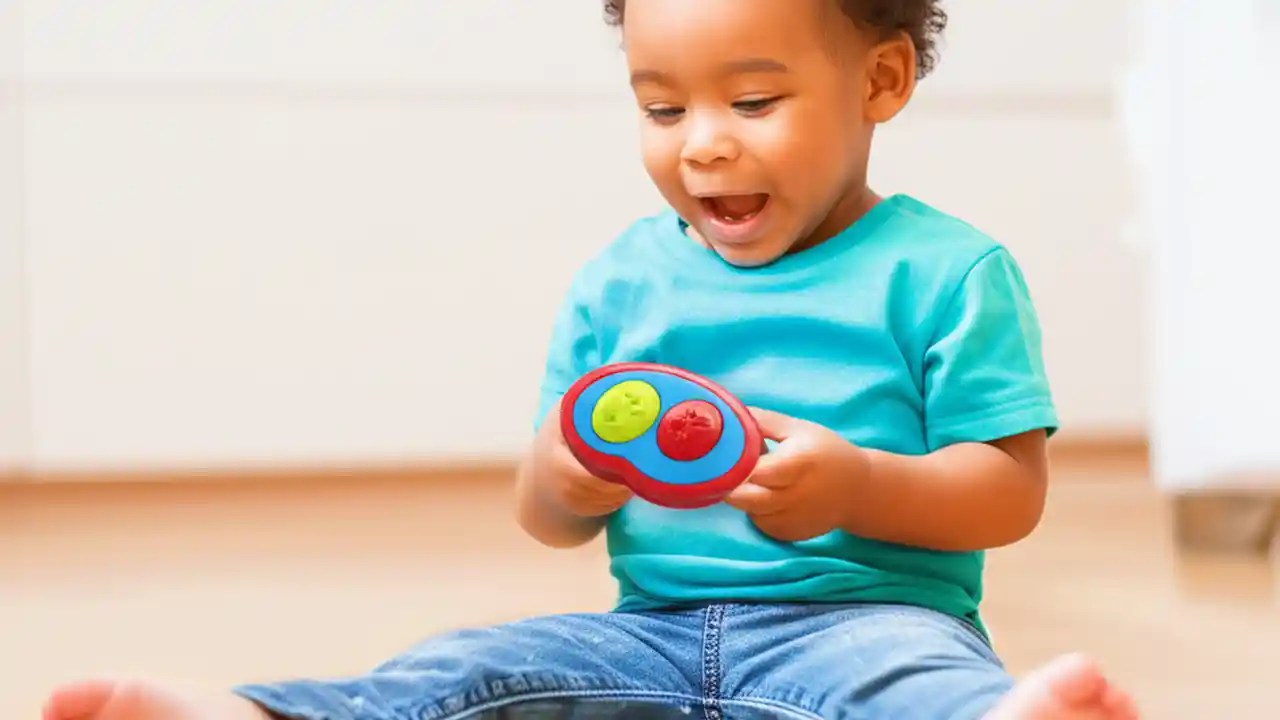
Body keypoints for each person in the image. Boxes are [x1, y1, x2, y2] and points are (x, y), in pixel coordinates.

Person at [41, 1, 1141, 718]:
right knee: (471, 667)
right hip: (646, 638)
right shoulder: (621, 282)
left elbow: (1006, 494)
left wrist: (858, 484)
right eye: (661, 107)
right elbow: (546, 511)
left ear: (881, 82)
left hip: (865, 624)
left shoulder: (945, 272)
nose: (700, 140)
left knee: (914, 686)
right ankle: (264, 716)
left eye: (751, 101)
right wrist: (565, 483)